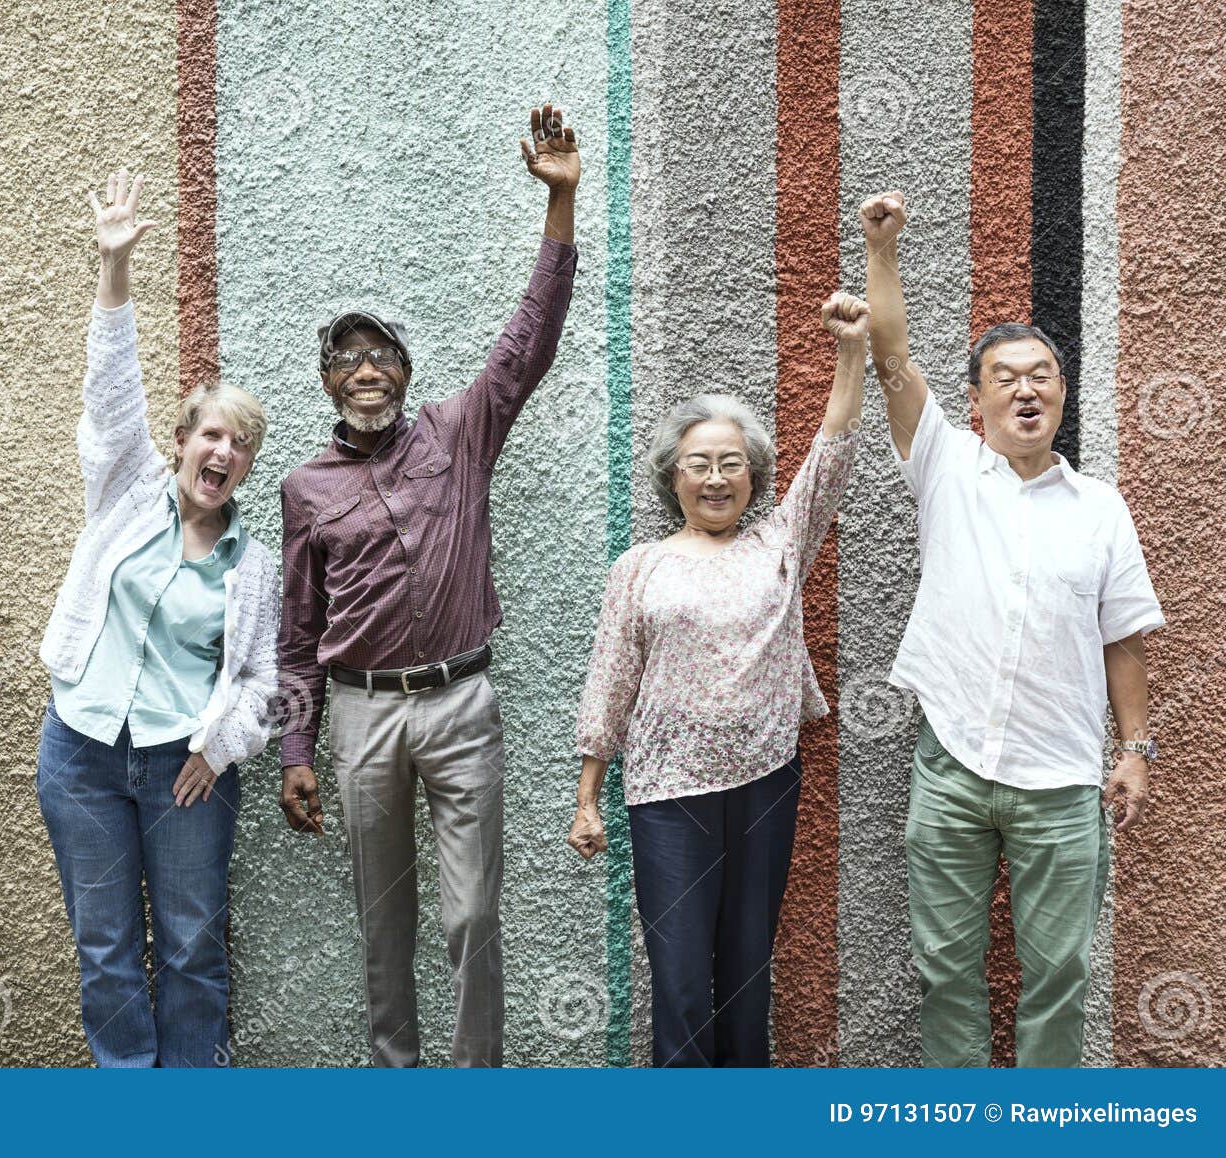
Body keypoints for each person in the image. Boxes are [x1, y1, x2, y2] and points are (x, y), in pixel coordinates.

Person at [275, 103, 581, 1067]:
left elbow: (529, 341)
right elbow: (296, 634)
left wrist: (560, 204)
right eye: (347, 359)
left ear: (406, 371)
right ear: (328, 383)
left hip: (459, 703)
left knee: (472, 914)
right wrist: (295, 746)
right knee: (382, 923)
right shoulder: (304, 489)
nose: (365, 370)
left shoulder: (460, 431)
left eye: (381, 355)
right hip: (361, 714)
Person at [859, 190, 1164, 1067]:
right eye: (1006, 377)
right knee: (946, 971)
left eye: (1042, 376)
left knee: (1060, 973)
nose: (1026, 389)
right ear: (977, 399)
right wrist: (882, 249)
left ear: (1062, 393)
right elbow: (891, 359)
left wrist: (1135, 750)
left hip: (1062, 777)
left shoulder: (1102, 509)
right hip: (951, 765)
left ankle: (1041, 1122)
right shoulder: (946, 466)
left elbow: (1123, 637)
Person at [569, 294, 869, 1066]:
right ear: (673, 477)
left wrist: (851, 350)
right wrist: (588, 795)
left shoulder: (779, 545)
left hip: (765, 783)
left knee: (745, 974)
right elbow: (611, 678)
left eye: (731, 463)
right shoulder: (640, 566)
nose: (715, 477)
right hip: (667, 796)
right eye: (699, 463)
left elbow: (833, 449)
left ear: (754, 475)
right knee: (678, 980)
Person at [35, 169, 280, 1068]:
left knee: (191, 950)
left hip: (186, 767)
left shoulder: (252, 566)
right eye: (210, 434)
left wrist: (221, 747)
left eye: (241, 444)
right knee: (105, 951)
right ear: (179, 444)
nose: (224, 450)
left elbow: (264, 682)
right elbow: (110, 395)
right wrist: (115, 267)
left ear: (246, 468)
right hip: (82, 750)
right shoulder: (123, 498)